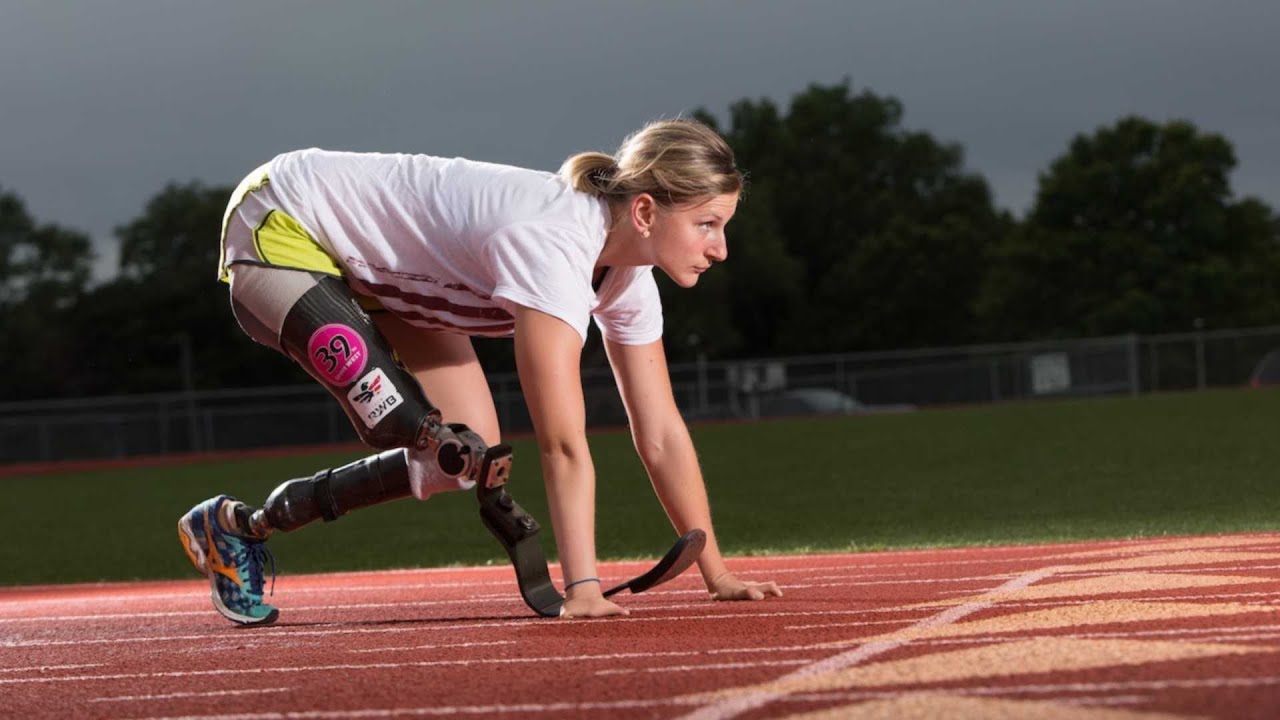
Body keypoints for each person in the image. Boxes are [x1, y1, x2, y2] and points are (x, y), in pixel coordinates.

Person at [177, 118, 782, 625]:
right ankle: (241, 528)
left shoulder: (628, 279)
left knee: (459, 461)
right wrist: (583, 587)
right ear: (645, 211)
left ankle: (239, 528)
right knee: (403, 419)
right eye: (708, 224)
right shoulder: (553, 243)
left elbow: (661, 431)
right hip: (282, 220)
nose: (720, 247)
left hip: (385, 274)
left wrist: (717, 572)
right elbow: (562, 443)